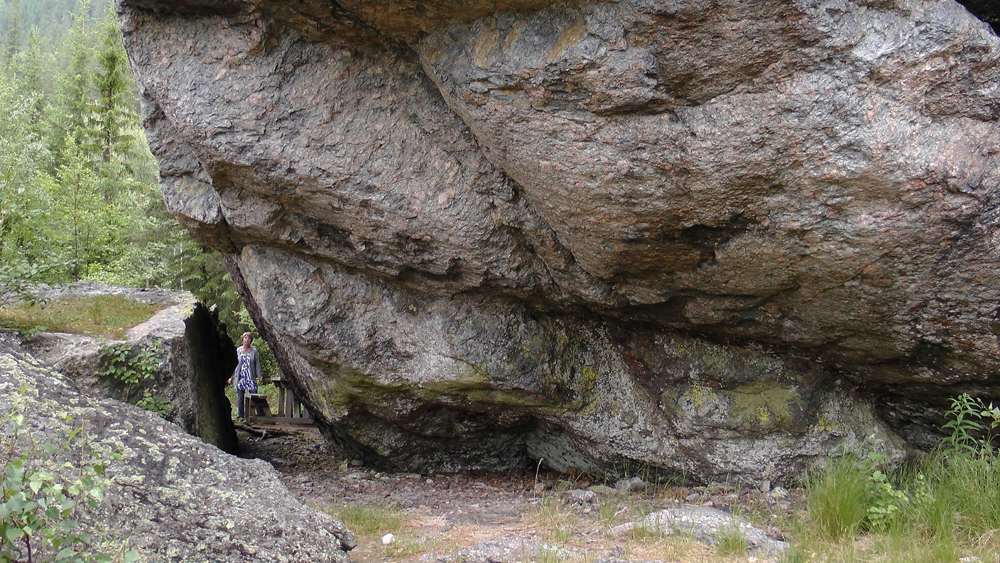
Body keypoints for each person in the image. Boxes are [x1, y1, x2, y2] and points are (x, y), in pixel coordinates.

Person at [227, 332, 262, 420]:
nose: (247, 340)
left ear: (251, 340)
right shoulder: (237, 350)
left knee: (254, 396)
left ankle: (260, 415)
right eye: (245, 338)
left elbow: (257, 364)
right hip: (240, 377)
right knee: (240, 398)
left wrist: (259, 375)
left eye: (249, 338)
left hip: (250, 377)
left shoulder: (254, 351)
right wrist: (230, 377)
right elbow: (233, 363)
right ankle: (241, 416)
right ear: (242, 340)